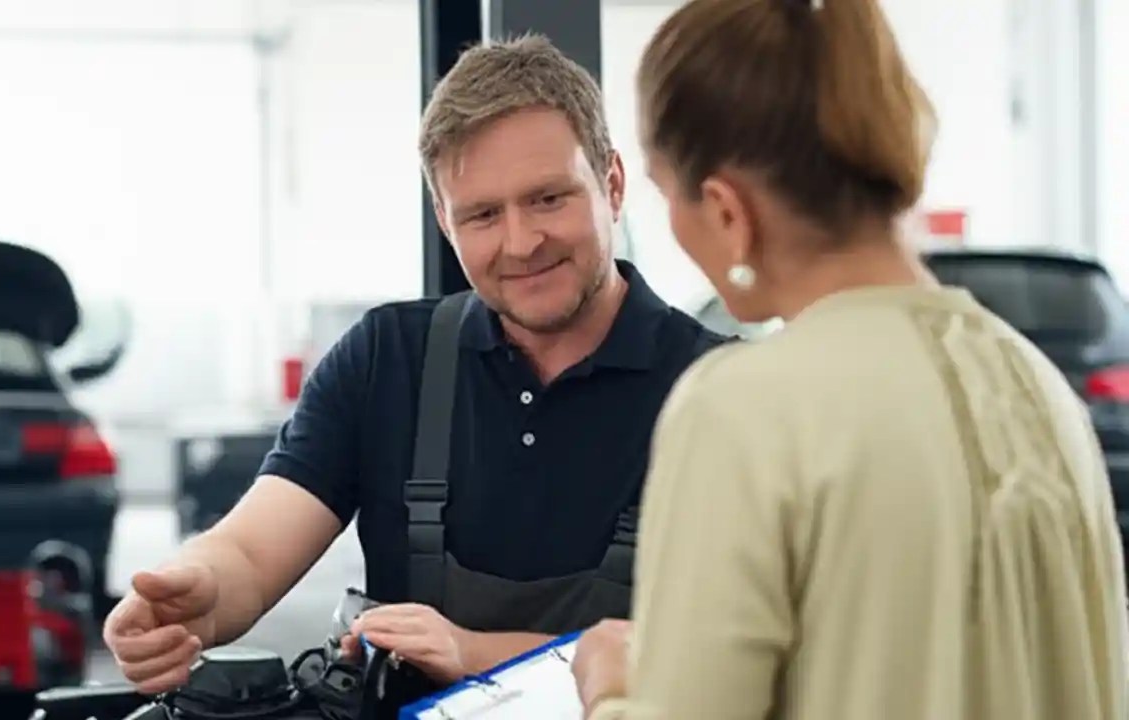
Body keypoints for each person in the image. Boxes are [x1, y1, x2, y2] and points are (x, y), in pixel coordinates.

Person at [102, 34, 728, 711]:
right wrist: (191, 595)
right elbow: (251, 553)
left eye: (548, 199)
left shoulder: (723, 392)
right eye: (482, 215)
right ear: (444, 221)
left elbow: (731, 663)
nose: (521, 242)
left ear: (612, 183)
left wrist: (473, 654)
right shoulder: (388, 358)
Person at [571, 0, 1129, 718]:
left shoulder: (743, 410)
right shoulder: (1039, 389)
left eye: (664, 194)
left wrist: (612, 686)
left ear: (728, 211)